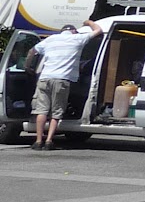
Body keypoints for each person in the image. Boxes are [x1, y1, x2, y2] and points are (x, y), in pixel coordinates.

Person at [30, 19, 103, 150]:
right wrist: (89, 22)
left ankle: (38, 140)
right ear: (74, 32)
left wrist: (28, 68)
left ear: (62, 31)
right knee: (56, 112)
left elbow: (32, 51)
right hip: (62, 80)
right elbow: (98, 31)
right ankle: (49, 141)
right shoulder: (77, 39)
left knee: (41, 111)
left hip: (44, 78)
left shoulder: (51, 39)